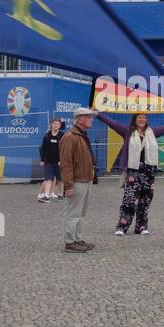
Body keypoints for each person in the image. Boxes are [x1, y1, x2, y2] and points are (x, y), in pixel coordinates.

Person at [97, 111, 164, 235]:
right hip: (133, 170)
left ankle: (141, 226)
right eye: (139, 117)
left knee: (145, 199)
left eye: (144, 117)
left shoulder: (151, 132)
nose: (142, 120)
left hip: (149, 170)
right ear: (135, 119)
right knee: (129, 199)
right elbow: (112, 123)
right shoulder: (127, 131)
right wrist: (98, 114)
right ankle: (121, 227)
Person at [60, 107, 98, 253]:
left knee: (80, 213)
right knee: (73, 213)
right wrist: (68, 185)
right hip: (77, 181)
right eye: (89, 117)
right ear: (80, 119)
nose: (91, 120)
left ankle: (77, 239)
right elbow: (66, 163)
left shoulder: (80, 135)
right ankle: (70, 242)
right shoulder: (70, 137)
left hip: (85, 180)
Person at [37, 118, 64, 202]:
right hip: (48, 161)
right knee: (48, 178)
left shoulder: (63, 135)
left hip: (59, 162)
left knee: (60, 179)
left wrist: (62, 160)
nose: (56, 125)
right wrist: (42, 160)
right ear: (51, 124)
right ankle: (46, 196)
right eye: (55, 123)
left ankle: (61, 194)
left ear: (60, 126)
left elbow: (65, 149)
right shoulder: (46, 135)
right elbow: (43, 148)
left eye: (58, 124)